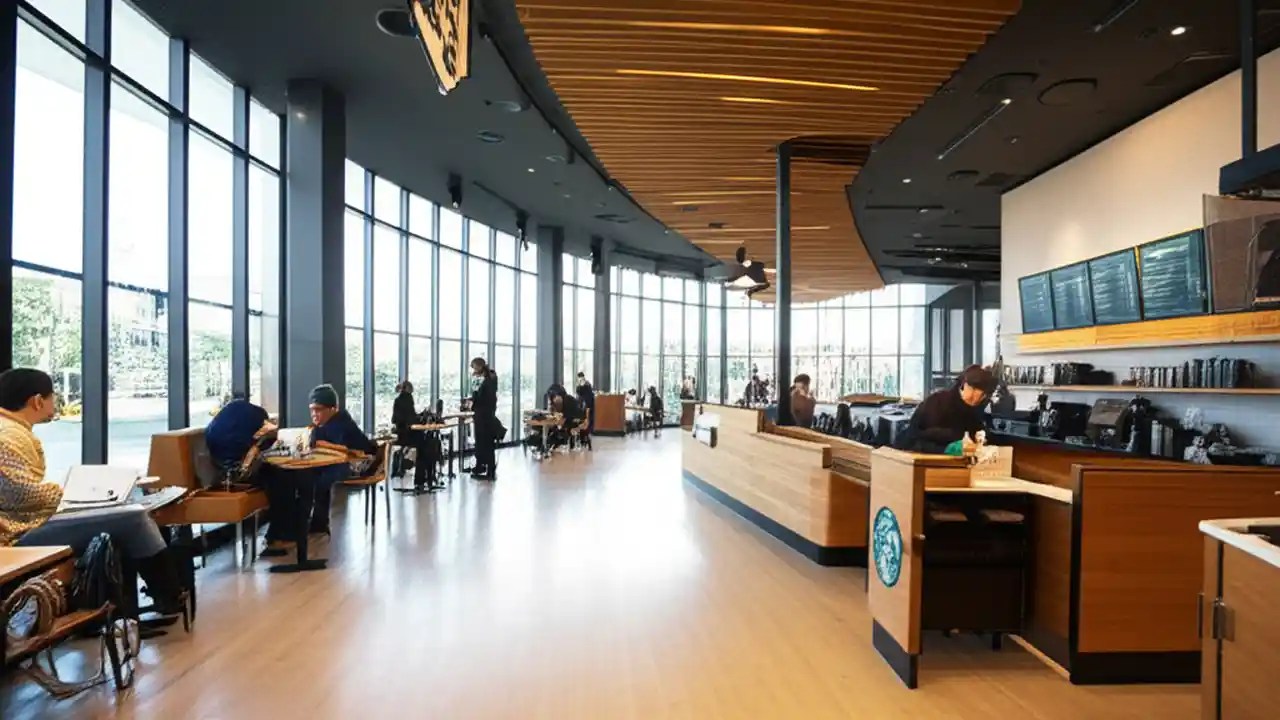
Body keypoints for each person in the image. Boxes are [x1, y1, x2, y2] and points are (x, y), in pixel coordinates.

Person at [0, 368, 187, 615]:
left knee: (126, 513)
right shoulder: (9, 434)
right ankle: (169, 595)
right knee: (132, 517)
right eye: (52, 396)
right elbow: (18, 493)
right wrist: (64, 492)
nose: (55, 402)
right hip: (16, 535)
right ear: (37, 401)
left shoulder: (13, 430)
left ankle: (148, 602)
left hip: (27, 524)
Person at [205, 394, 294, 553]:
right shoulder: (255, 416)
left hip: (223, 470)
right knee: (283, 479)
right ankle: (278, 535)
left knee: (279, 476)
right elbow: (267, 437)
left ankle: (281, 533)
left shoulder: (221, 423)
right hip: (237, 475)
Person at [307, 384, 378, 534]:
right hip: (344, 461)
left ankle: (317, 523)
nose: (314, 414)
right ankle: (316, 522)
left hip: (358, 464)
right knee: (313, 475)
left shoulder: (340, 424)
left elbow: (338, 451)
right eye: (312, 410)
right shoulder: (326, 424)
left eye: (318, 410)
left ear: (333, 409)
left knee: (320, 479)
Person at [894, 365, 996, 454]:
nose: (976, 400)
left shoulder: (974, 411)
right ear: (965, 385)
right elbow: (914, 439)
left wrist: (981, 438)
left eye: (982, 396)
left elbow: (978, 433)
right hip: (916, 460)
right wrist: (945, 449)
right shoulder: (937, 403)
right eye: (973, 394)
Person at [391, 380, 437, 491]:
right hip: (406, 434)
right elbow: (409, 418)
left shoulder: (400, 399)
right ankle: (422, 479)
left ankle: (423, 479)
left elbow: (404, 417)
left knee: (426, 443)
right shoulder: (407, 399)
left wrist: (419, 416)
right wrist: (421, 418)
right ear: (407, 389)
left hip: (404, 432)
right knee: (427, 446)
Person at [469, 358, 499, 479]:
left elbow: (480, 396)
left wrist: (473, 402)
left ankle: (486, 468)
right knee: (486, 442)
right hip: (487, 415)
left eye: (474, 368)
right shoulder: (491, 378)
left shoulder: (485, 381)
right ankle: (484, 466)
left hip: (483, 416)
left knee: (483, 441)